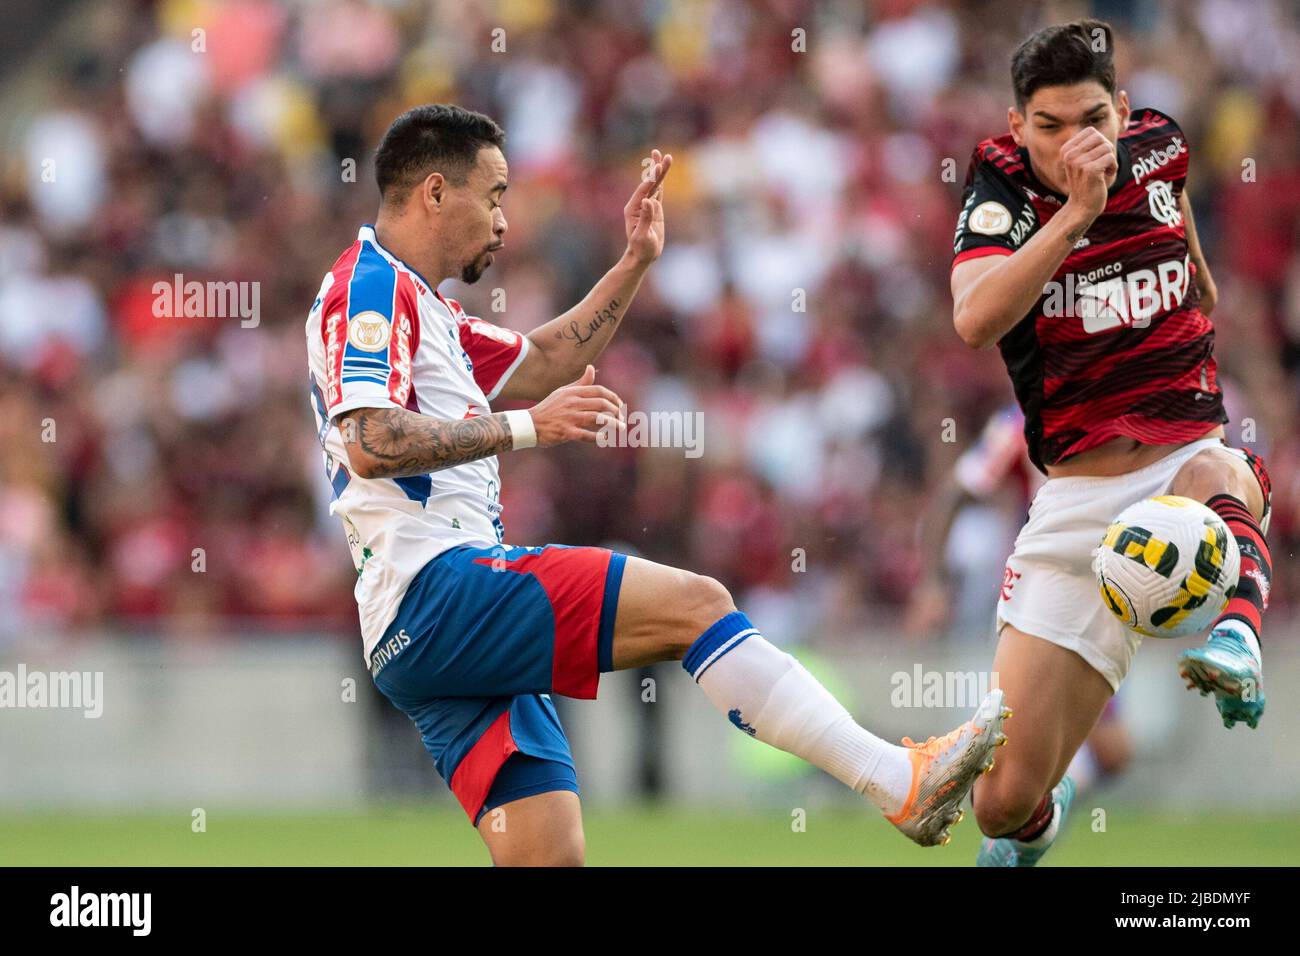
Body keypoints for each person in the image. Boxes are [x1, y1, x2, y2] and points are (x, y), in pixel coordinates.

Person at [305, 104, 1009, 865]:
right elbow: (370, 441)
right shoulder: (370, 288)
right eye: (496, 195)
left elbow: (543, 360)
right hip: (438, 587)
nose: (505, 222)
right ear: (436, 192)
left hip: (419, 625)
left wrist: (634, 261)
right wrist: (529, 428)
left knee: (548, 857)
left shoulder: (428, 305)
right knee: (697, 606)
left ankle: (897, 783)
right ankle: (897, 781)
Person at [950, 20, 1272, 867]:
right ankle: (1045, 817)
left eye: (1091, 120)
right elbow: (975, 319)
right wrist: (1078, 216)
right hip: (1074, 498)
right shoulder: (1003, 190)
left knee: (1223, 465)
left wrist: (1197, 281)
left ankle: (1238, 635)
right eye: (1049, 126)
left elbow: (1188, 243)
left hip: (1178, 456)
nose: (1072, 143)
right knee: (998, 803)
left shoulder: (1163, 145)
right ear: (1018, 127)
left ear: (1123, 111)